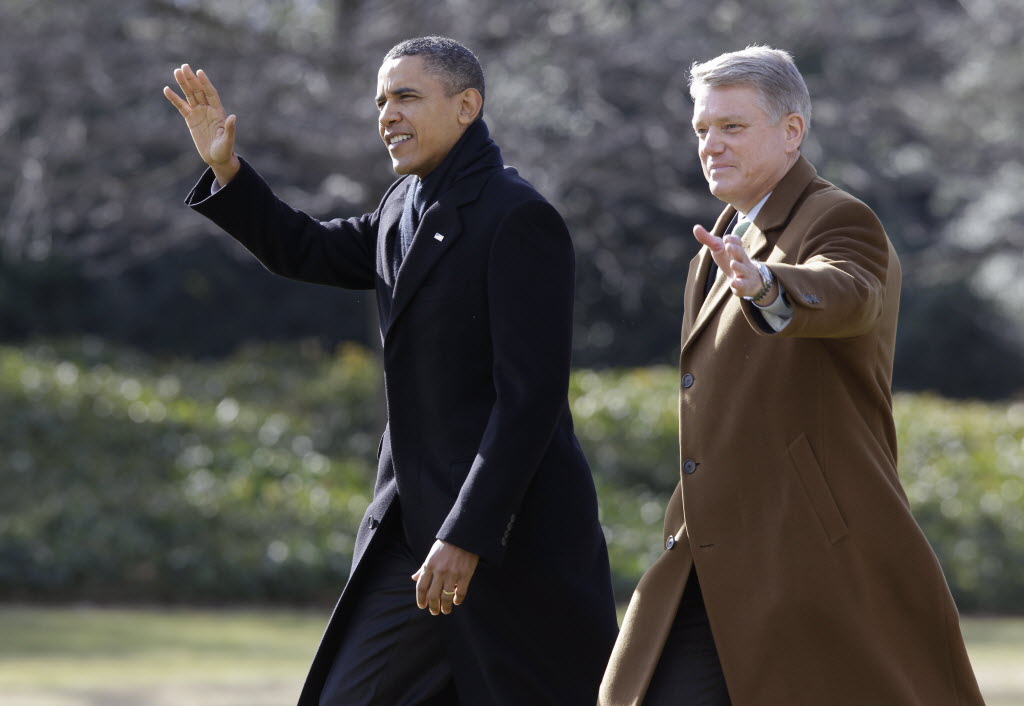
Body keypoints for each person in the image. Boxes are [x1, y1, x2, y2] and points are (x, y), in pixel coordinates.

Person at [163, 36, 617, 706]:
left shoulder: (519, 218)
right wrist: (227, 170)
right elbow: (305, 249)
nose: (386, 114)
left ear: (467, 106)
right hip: (409, 532)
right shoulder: (403, 203)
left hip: (505, 544)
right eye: (381, 99)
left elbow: (530, 400)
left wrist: (466, 537)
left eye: (405, 96)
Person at [598, 46, 985, 706]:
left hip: (802, 557)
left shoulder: (838, 217)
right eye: (702, 130)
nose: (711, 145)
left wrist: (769, 284)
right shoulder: (718, 241)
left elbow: (850, 292)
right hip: (707, 551)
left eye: (733, 127)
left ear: (792, 131)